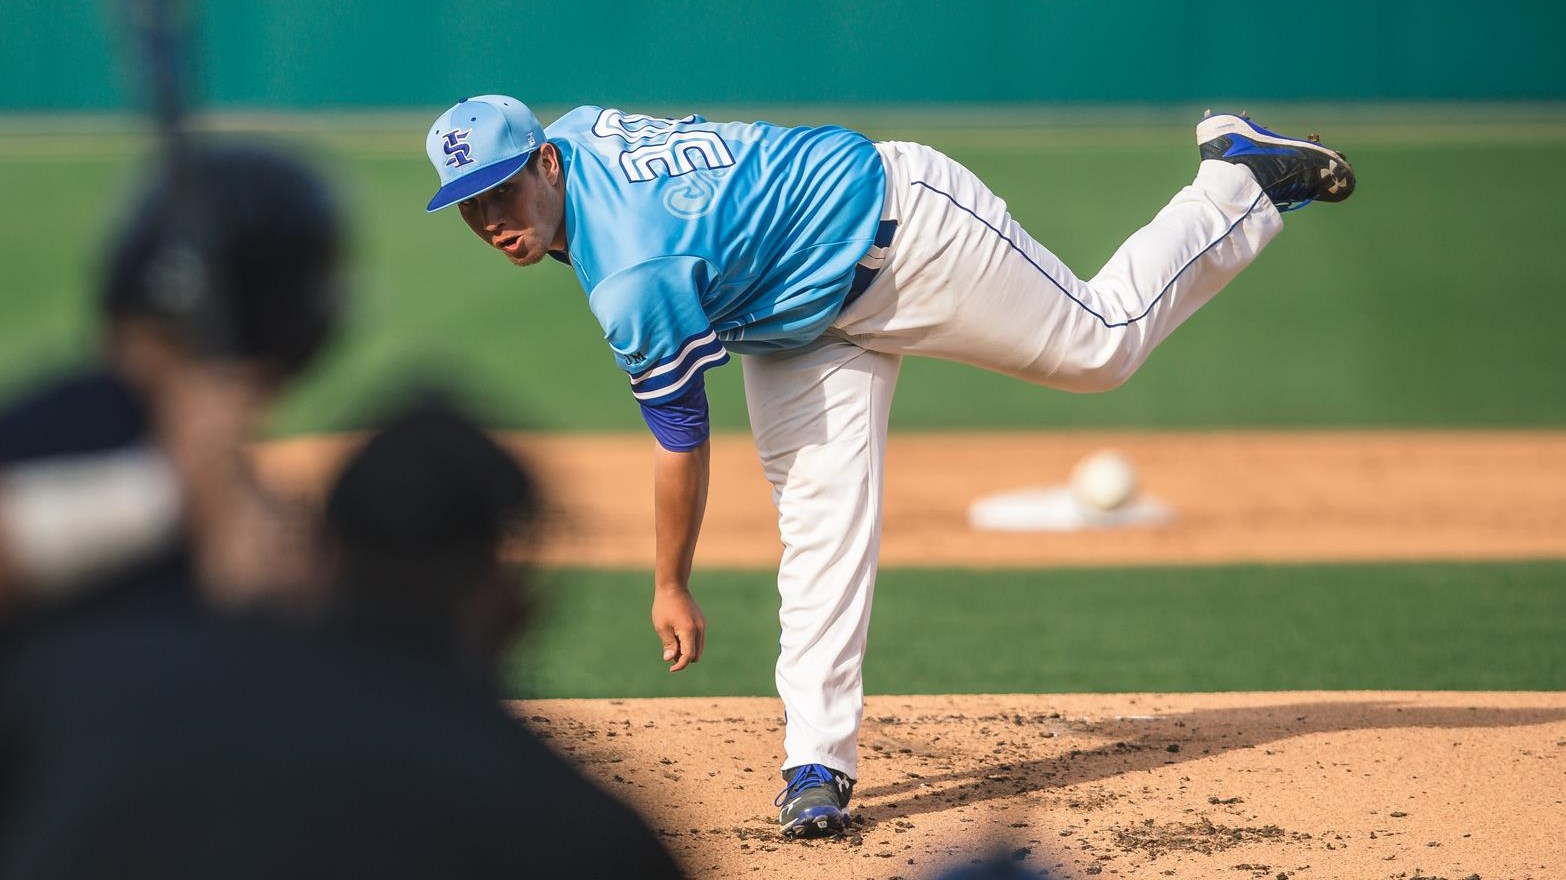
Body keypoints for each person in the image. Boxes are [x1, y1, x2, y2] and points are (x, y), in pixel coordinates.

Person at [420, 97, 1355, 837]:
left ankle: (1240, 178)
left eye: (504, 190)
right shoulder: (576, 134)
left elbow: (680, 442)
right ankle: (814, 766)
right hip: (794, 322)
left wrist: (670, 581)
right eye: (472, 205)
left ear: (546, 162)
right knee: (821, 532)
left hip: (904, 232)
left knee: (1099, 346)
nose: (493, 219)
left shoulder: (635, 279)